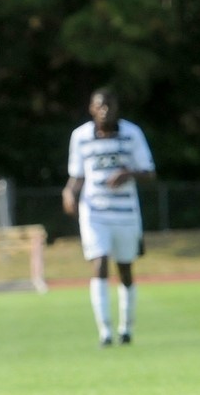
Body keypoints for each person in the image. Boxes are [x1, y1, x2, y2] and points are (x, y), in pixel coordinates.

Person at [62, 88, 156, 346]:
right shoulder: (80, 136)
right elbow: (77, 174)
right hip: (94, 212)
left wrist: (128, 174)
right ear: (91, 109)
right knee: (99, 263)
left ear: (117, 108)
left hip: (126, 212)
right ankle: (104, 331)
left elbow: (149, 171)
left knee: (125, 269)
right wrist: (69, 193)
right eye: (100, 106)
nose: (105, 110)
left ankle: (126, 328)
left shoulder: (132, 133)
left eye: (110, 106)